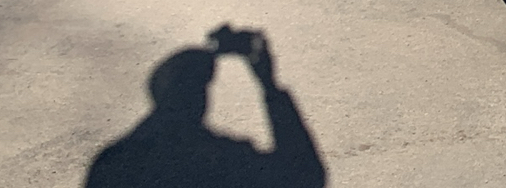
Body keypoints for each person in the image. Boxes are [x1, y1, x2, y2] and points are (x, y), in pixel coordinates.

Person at [85, 25, 326, 188]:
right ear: (202, 102)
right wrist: (269, 86)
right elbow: (306, 176)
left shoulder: (113, 164)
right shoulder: (224, 161)